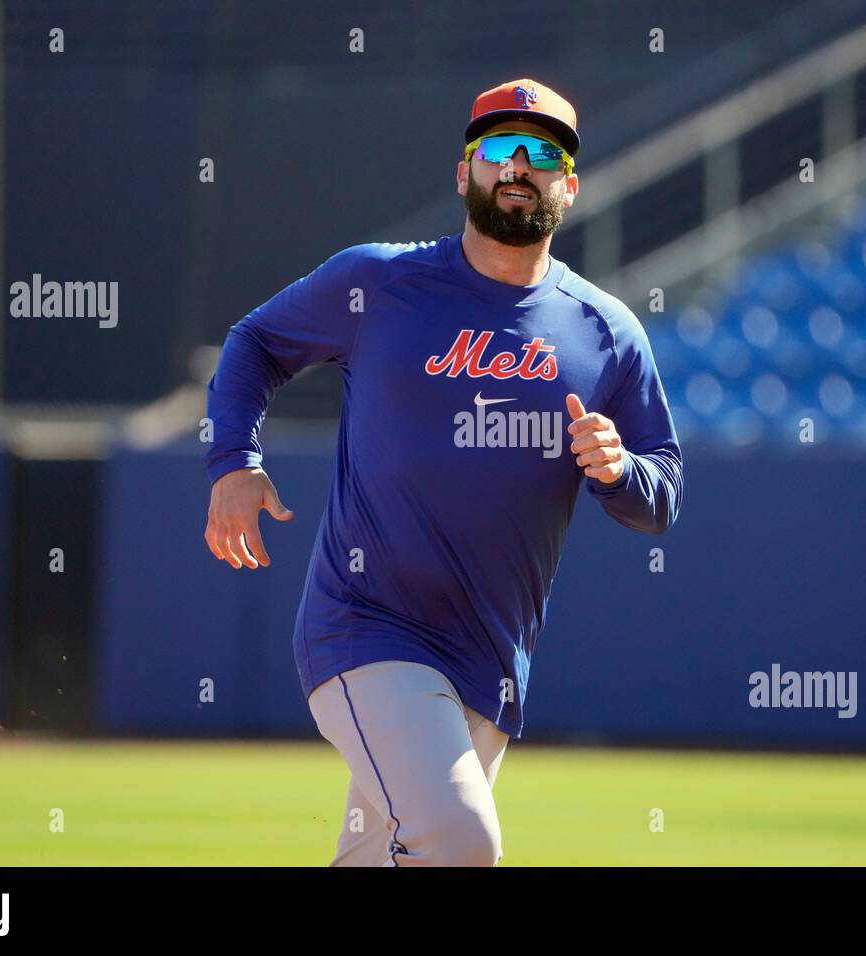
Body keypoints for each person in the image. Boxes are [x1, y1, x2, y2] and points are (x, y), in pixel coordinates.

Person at [203, 78, 683, 866]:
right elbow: (254, 341)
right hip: (366, 628)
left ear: (571, 184)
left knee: (389, 856)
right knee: (461, 841)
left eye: (544, 154)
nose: (519, 167)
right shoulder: (379, 284)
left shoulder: (607, 332)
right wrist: (233, 462)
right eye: (499, 149)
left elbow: (661, 494)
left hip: (492, 657)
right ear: (465, 173)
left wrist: (620, 470)